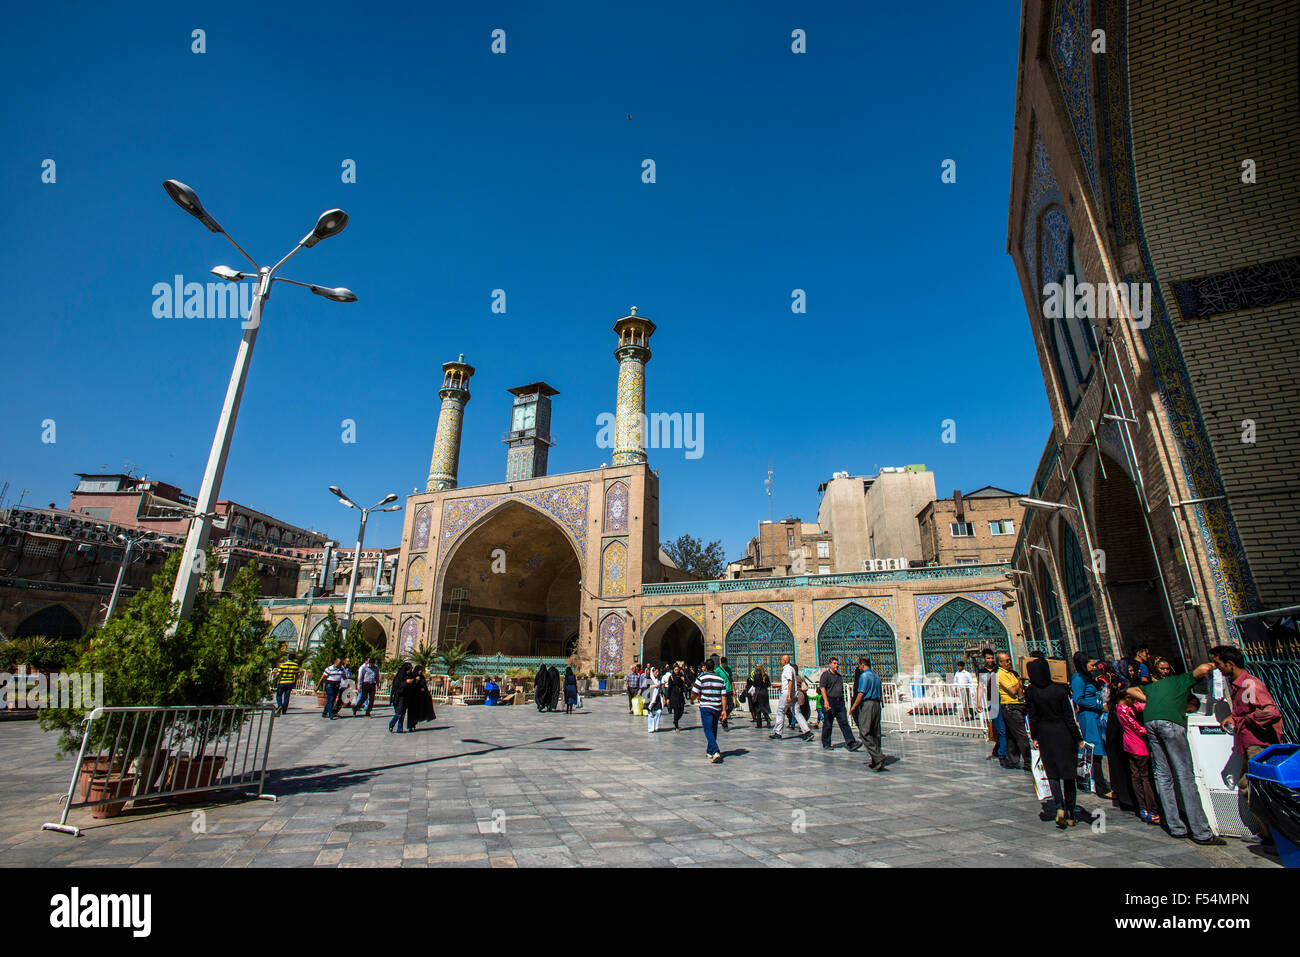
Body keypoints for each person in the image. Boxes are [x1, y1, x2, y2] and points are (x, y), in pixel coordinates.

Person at [1139, 659, 1225, 844]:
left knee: (1163, 776)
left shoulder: (1153, 687)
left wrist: (1150, 700)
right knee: (1184, 775)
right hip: (1170, 723)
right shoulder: (1181, 680)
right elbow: (1202, 669)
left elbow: (1131, 690)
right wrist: (1215, 664)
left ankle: (1176, 827)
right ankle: (1201, 832)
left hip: (1150, 722)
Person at [1211, 644, 1284, 844]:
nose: (1218, 669)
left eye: (1219, 665)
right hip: (1246, 743)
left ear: (1230, 664)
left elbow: (1271, 712)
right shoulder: (1236, 686)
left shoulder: (1250, 684)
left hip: (1259, 744)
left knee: (1261, 789)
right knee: (1246, 785)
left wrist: (1245, 719)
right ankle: (1267, 832)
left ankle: (1276, 835)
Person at [1025, 657, 1084, 828]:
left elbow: (1033, 717)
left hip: (1045, 735)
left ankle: (1059, 807)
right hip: (1063, 733)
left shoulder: (1032, 692)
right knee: (1069, 774)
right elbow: (1069, 717)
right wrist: (1078, 737)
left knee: (1052, 773)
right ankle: (1072, 813)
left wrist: (1034, 737)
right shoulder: (1059, 690)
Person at [1115, 682, 1161, 825]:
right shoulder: (1124, 710)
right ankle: (1151, 809)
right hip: (1138, 747)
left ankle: (1143, 808)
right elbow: (1136, 727)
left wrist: (1151, 701)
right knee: (1145, 778)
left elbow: (1140, 706)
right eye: (1133, 698)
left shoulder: (1124, 707)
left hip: (1129, 746)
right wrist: (1149, 729)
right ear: (1127, 697)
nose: (1134, 701)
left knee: (1136, 776)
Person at [1070, 654, 1111, 797]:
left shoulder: (1088, 678)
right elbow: (1079, 700)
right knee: (1095, 750)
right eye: (1091, 665)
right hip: (1088, 716)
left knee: (1099, 748)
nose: (1094, 668)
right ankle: (1100, 786)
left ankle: (1100, 781)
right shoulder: (1078, 680)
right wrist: (1099, 705)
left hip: (1096, 715)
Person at [850, 656, 886, 771]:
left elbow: (861, 693)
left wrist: (853, 706)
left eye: (859, 665)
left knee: (864, 732)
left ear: (862, 664)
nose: (858, 668)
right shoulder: (876, 676)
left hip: (868, 704)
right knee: (875, 732)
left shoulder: (864, 676)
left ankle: (878, 756)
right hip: (877, 704)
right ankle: (875, 760)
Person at [818, 658, 861, 751]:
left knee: (844, 722)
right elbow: (822, 688)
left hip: (839, 702)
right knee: (828, 723)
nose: (836, 665)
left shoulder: (838, 676)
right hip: (829, 701)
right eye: (834, 663)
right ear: (830, 665)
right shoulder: (825, 675)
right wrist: (826, 701)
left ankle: (851, 742)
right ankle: (826, 743)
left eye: (837, 663)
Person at [996, 652, 1029, 770]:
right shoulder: (1000, 674)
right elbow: (1013, 691)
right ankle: (1028, 760)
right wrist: (1019, 682)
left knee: (1012, 735)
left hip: (1016, 705)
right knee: (1021, 735)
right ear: (1000, 663)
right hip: (1009, 707)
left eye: (1009, 660)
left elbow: (1020, 693)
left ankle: (1011, 760)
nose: (1009, 662)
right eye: (1006, 661)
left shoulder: (1011, 674)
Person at [692, 659, 728, 763]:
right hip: (717, 707)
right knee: (713, 729)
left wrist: (692, 699)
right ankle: (709, 751)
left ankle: (716, 751)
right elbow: (724, 696)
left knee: (708, 729)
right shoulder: (720, 679)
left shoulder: (701, 678)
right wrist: (724, 710)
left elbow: (695, 692)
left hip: (706, 707)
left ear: (706, 667)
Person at [770, 654, 813, 741]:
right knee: (796, 712)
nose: (780, 662)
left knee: (781, 711)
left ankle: (778, 732)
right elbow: (788, 683)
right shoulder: (792, 669)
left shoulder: (787, 669)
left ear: (785, 661)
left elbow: (790, 681)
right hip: (794, 694)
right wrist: (781, 686)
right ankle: (807, 731)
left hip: (787, 694)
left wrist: (789, 694)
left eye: (781, 660)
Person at [978, 649, 1004, 761]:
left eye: (991, 658)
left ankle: (1001, 751)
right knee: (999, 728)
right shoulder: (982, 671)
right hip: (992, 699)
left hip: (1003, 698)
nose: (990, 660)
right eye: (988, 658)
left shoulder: (999, 669)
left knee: (1002, 728)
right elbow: (980, 686)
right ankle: (1001, 751)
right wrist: (978, 702)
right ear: (984, 659)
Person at [406, 665, 436, 731]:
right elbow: (411, 686)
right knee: (412, 712)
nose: (420, 672)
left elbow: (424, 686)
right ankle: (410, 726)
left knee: (417, 712)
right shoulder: (413, 676)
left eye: (421, 670)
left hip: (419, 698)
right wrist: (415, 680)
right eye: (419, 670)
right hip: (413, 697)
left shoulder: (422, 677)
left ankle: (414, 724)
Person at [388, 663, 413, 732]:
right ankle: (391, 724)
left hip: (406, 696)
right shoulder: (400, 676)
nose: (409, 671)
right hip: (399, 696)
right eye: (409, 670)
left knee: (403, 713)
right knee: (399, 712)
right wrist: (406, 682)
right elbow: (397, 685)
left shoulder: (409, 675)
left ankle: (400, 728)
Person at [667, 665, 687, 732]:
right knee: (676, 711)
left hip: (680, 696)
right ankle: (676, 726)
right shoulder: (671, 677)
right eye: (675, 670)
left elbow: (684, 685)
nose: (676, 671)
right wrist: (668, 698)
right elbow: (669, 688)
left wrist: (683, 680)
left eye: (677, 670)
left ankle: (675, 721)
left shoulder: (681, 677)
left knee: (681, 711)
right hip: (674, 696)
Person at [717, 657, 734, 730]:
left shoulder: (729, 669)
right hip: (722, 691)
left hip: (729, 690)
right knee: (723, 708)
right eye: (724, 664)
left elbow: (731, 679)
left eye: (726, 664)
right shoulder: (718, 670)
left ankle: (723, 716)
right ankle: (725, 724)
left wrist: (734, 689)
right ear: (721, 663)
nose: (725, 665)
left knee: (731, 706)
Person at [645, 665, 663, 732]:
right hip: (650, 698)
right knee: (651, 713)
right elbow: (646, 687)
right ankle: (651, 728)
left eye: (658, 672)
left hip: (657, 698)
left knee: (659, 711)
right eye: (656, 672)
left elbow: (660, 689)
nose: (657, 673)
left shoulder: (658, 680)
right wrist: (655, 686)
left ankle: (656, 726)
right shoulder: (649, 679)